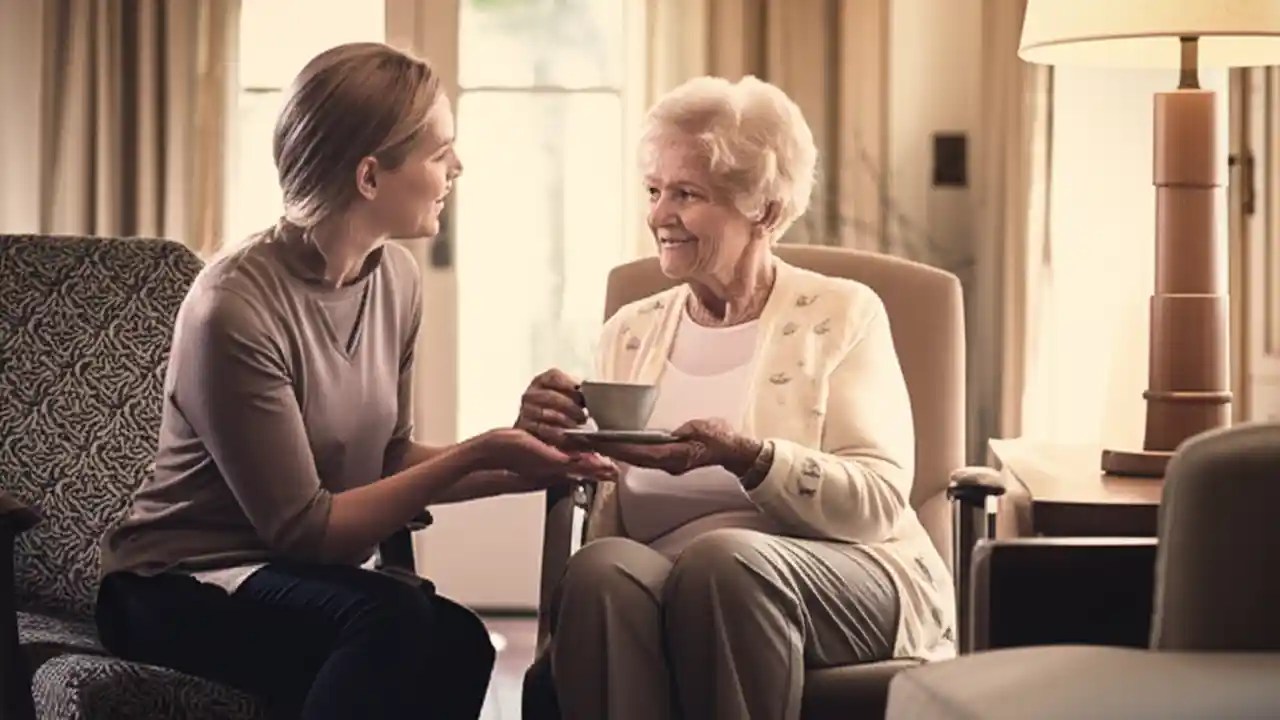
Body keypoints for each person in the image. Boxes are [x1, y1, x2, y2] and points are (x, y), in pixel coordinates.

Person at [95, 42, 614, 720]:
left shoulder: (395, 278)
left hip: (294, 579)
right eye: (438, 153)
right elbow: (308, 533)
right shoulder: (234, 308)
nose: (457, 167)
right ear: (370, 177)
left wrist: (533, 462)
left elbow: (390, 460)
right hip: (177, 584)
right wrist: (485, 450)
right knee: (391, 617)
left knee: (462, 642)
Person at [517, 75, 956, 719]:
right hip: (673, 572)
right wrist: (548, 431)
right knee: (599, 571)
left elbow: (878, 501)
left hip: (845, 572)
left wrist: (750, 457)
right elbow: (599, 483)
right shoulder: (630, 332)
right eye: (655, 189)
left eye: (687, 194)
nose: (659, 214)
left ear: (766, 212)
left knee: (723, 563)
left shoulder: (843, 313)